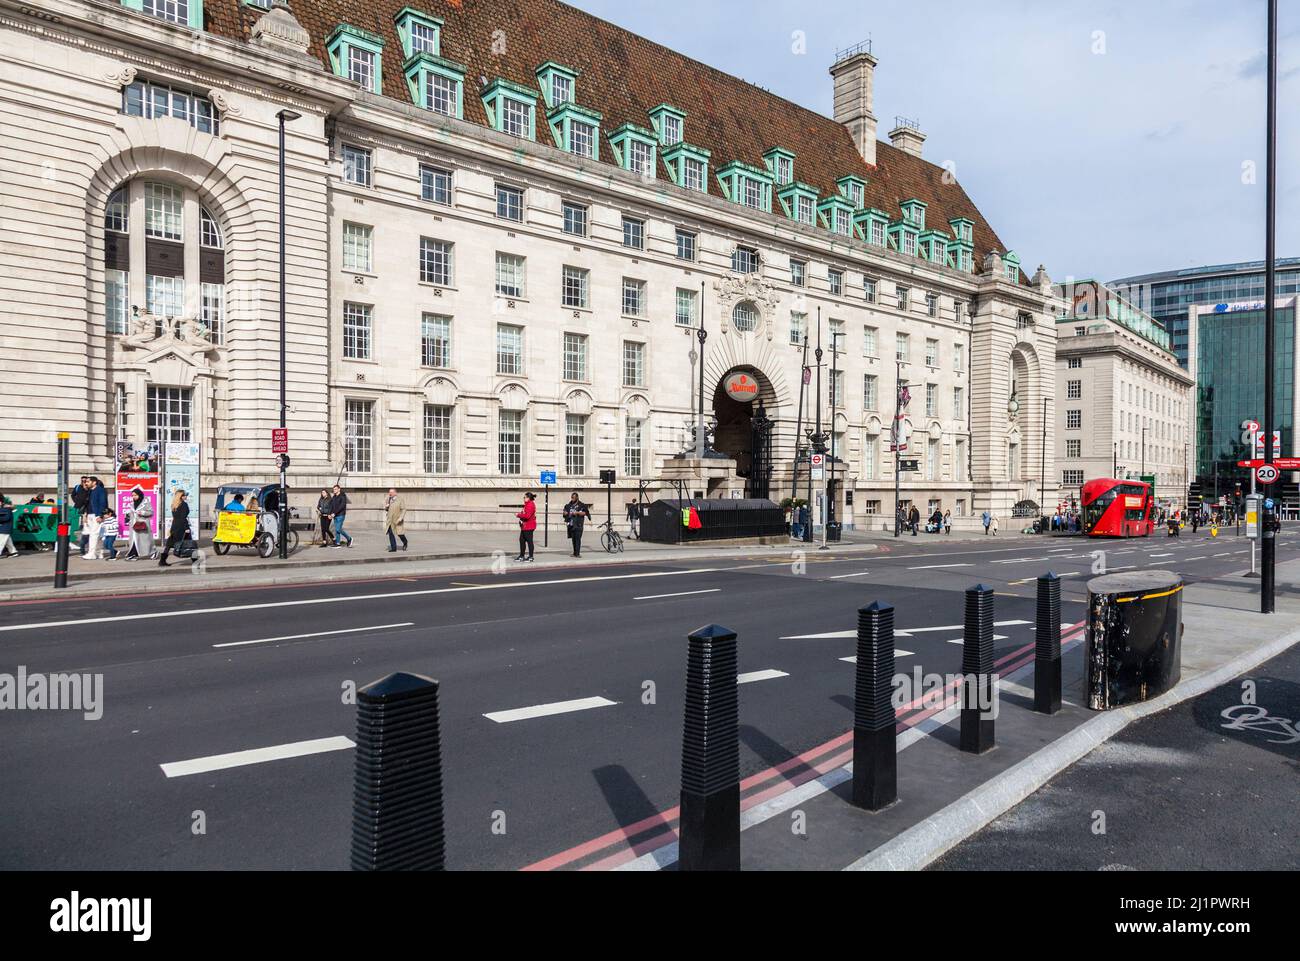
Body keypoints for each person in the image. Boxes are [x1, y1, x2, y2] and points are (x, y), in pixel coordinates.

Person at [158, 489, 192, 567]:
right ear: (181, 496)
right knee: (188, 543)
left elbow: (177, 517)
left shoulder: (175, 504)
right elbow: (183, 517)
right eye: (184, 495)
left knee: (169, 544)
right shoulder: (184, 504)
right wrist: (186, 528)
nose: (186, 496)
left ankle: (162, 561)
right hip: (182, 526)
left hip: (174, 525)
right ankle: (195, 559)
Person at [124, 488, 154, 561]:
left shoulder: (146, 503)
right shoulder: (132, 504)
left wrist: (142, 513)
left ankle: (153, 552)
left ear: (139, 495)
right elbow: (131, 514)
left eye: (135, 495)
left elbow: (151, 512)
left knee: (145, 541)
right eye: (132, 495)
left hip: (142, 524)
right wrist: (128, 516)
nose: (134, 497)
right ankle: (133, 554)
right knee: (134, 540)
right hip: (134, 525)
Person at [563, 492, 591, 557]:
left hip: (579, 524)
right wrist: (565, 513)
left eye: (573, 497)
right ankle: (574, 552)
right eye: (571, 497)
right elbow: (564, 512)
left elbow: (585, 513)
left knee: (578, 539)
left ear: (577, 498)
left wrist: (577, 513)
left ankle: (577, 553)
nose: (572, 499)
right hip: (571, 524)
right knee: (573, 539)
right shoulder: (568, 505)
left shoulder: (582, 505)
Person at [515, 492, 537, 562]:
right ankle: (522, 556)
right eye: (523, 497)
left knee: (529, 541)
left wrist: (518, 515)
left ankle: (531, 557)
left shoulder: (530, 505)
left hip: (529, 526)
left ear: (528, 498)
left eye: (524, 497)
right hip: (525, 526)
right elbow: (524, 513)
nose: (523, 498)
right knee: (522, 540)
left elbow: (527, 516)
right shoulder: (527, 505)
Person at [385, 489, 408, 553]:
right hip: (390, 520)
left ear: (395, 493)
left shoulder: (400, 500)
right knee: (391, 534)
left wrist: (401, 517)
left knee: (400, 533)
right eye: (389, 492)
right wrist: (386, 507)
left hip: (397, 520)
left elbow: (404, 509)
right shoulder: (388, 499)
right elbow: (387, 509)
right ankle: (393, 548)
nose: (390, 494)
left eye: (391, 492)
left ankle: (405, 542)